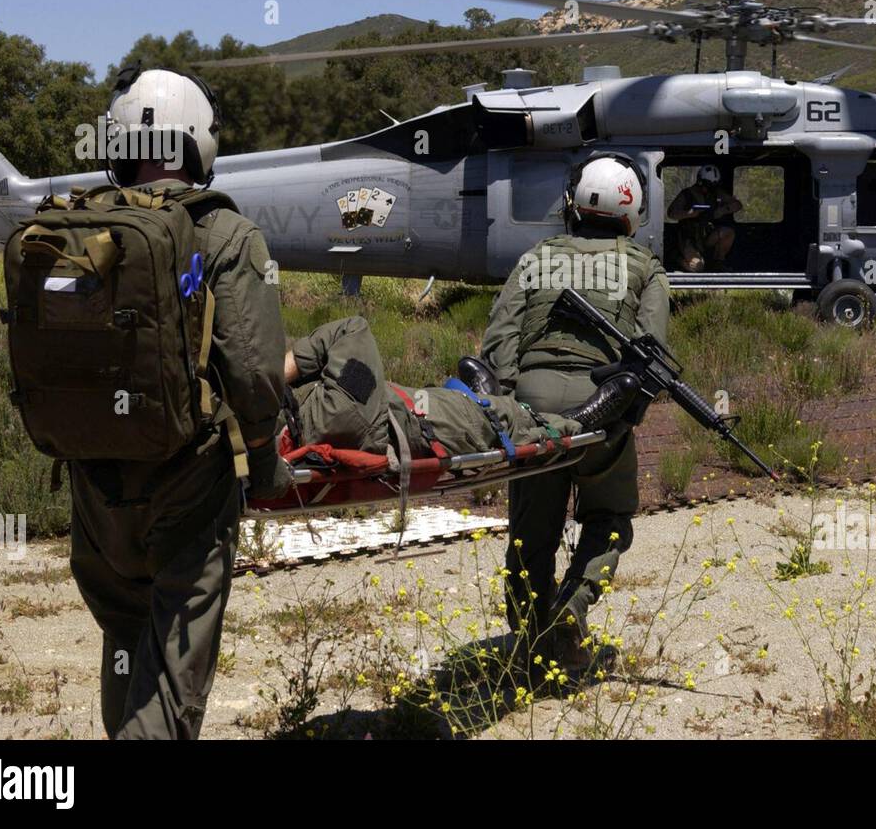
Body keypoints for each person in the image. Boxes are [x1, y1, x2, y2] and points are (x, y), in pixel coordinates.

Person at [67, 67, 290, 739]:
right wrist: (265, 459)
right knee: (172, 666)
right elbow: (253, 374)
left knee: (127, 633)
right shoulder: (223, 232)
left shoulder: (82, 227)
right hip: (185, 481)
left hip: (93, 484)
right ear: (196, 142)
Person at [480, 155, 669, 676]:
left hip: (534, 405)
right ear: (630, 213)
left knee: (529, 534)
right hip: (601, 407)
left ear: (575, 205)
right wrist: (623, 419)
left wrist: (512, 408)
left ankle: (529, 652)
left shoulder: (537, 256)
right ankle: (573, 605)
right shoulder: (646, 267)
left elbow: (500, 343)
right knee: (608, 520)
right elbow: (649, 358)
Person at [279, 315, 640, 459]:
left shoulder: (324, 408)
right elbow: (352, 329)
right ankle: (580, 421)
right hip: (427, 422)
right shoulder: (335, 408)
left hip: (395, 408)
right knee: (502, 419)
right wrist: (283, 369)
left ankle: (487, 396)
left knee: (457, 401)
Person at [666, 164, 743, 272]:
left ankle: (718, 262)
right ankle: (678, 259)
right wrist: (689, 214)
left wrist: (722, 210)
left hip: (707, 235)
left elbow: (737, 205)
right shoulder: (687, 194)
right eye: (706, 185)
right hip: (689, 238)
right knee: (697, 267)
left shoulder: (716, 193)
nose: (708, 190)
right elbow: (671, 213)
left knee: (728, 232)